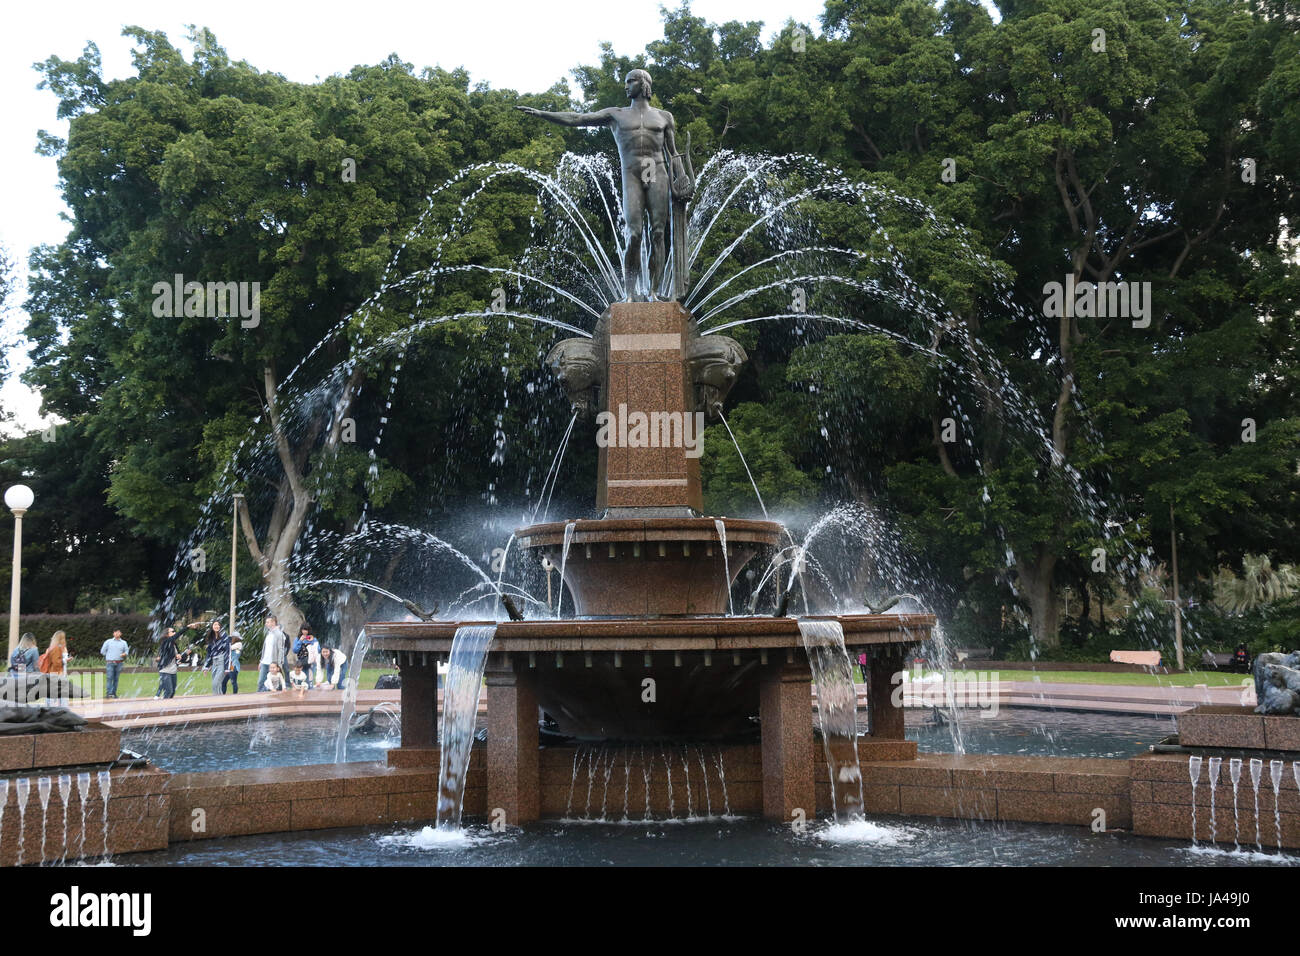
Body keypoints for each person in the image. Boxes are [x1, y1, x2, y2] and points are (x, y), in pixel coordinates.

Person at [258, 614, 288, 692]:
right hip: (265, 662)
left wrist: (279, 664)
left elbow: (281, 649)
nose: (266, 624)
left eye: (268, 622)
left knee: (275, 682)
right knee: (261, 682)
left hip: (273, 663)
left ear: (273, 622)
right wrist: (261, 661)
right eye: (266, 622)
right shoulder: (268, 634)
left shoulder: (279, 634)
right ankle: (258, 698)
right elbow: (265, 649)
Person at [202, 620, 232, 695]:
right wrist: (206, 667)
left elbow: (227, 652)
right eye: (215, 625)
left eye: (218, 625)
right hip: (214, 662)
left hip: (222, 661)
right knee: (215, 685)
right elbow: (209, 653)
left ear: (220, 626)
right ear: (212, 626)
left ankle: (217, 700)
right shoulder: (211, 637)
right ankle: (218, 700)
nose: (216, 626)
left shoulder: (224, 635)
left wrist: (227, 667)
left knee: (216, 683)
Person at [100, 628, 129, 699]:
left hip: (119, 663)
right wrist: (109, 656)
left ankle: (114, 693)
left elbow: (126, 652)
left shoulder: (124, 643)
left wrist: (124, 654)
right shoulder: (108, 642)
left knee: (116, 679)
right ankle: (108, 693)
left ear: (121, 634)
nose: (117, 633)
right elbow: (102, 651)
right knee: (109, 678)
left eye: (118, 632)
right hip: (110, 663)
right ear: (113, 633)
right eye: (115, 632)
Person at [155, 625, 181, 699]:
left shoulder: (174, 644)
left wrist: (180, 657)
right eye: (172, 631)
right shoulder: (165, 642)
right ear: (167, 634)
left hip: (173, 670)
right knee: (168, 691)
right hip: (165, 670)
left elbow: (176, 656)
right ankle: (163, 708)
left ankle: (169, 707)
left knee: (172, 692)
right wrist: (187, 627)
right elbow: (168, 655)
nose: (174, 632)